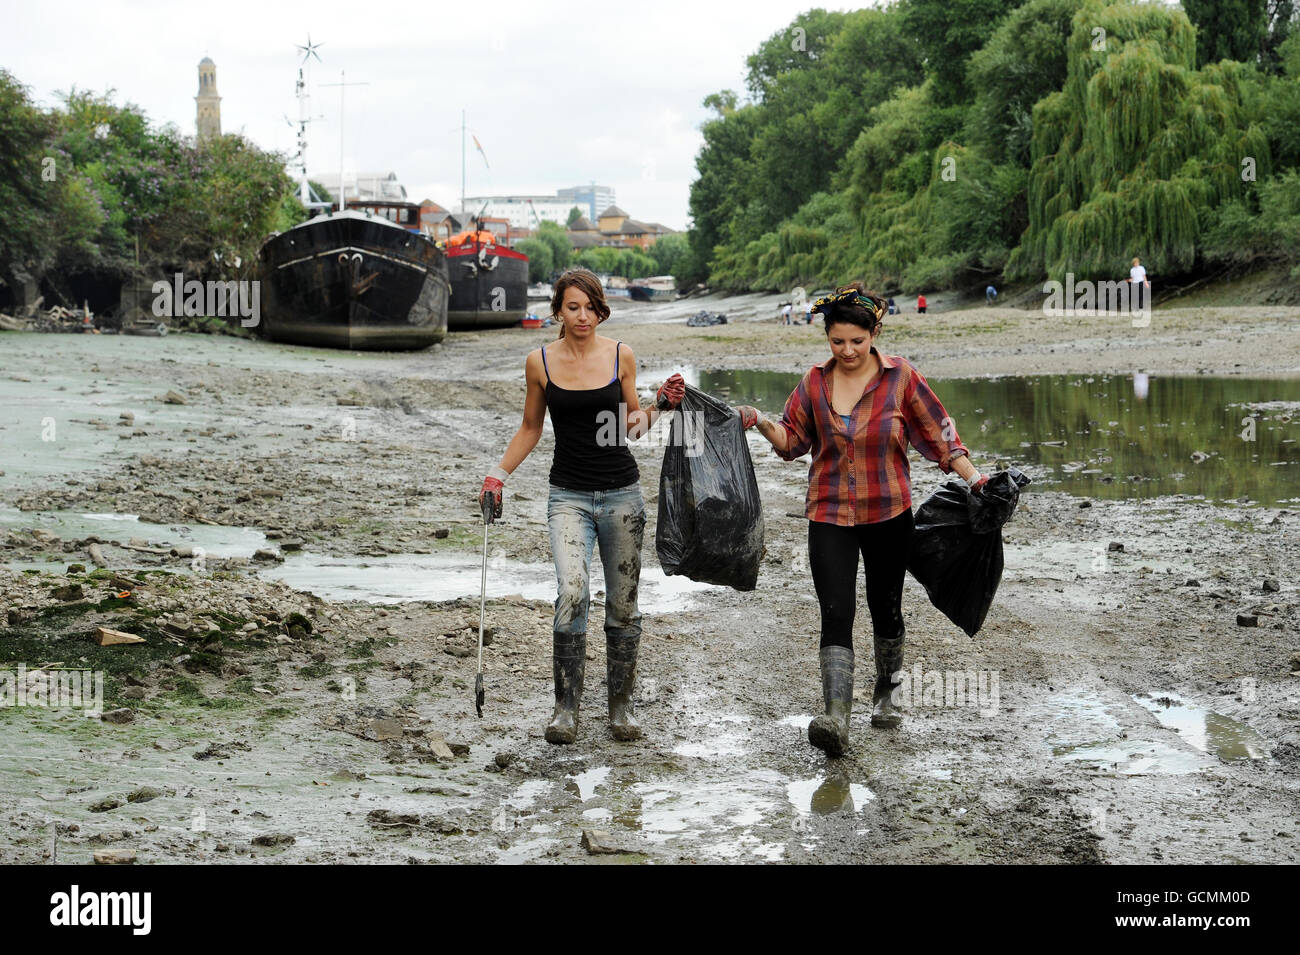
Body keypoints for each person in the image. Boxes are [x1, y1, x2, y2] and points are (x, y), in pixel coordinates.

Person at [734, 283, 987, 757]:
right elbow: (792, 442)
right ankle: (836, 718)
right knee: (835, 611)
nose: (847, 351)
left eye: (857, 341)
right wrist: (759, 421)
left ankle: (887, 695)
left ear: (875, 333)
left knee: (885, 607)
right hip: (828, 512)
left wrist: (977, 481)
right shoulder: (813, 383)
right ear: (827, 337)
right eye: (837, 341)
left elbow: (942, 436)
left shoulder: (901, 378)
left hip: (889, 513)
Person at [480, 268, 685, 744]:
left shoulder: (620, 355)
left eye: (592, 307)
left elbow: (632, 427)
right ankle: (565, 710)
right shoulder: (540, 363)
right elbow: (531, 428)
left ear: (601, 309)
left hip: (621, 495)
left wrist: (660, 406)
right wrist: (497, 475)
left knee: (623, 604)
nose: (583, 316)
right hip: (567, 496)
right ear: (558, 310)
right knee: (572, 592)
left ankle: (620, 709)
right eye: (574, 307)